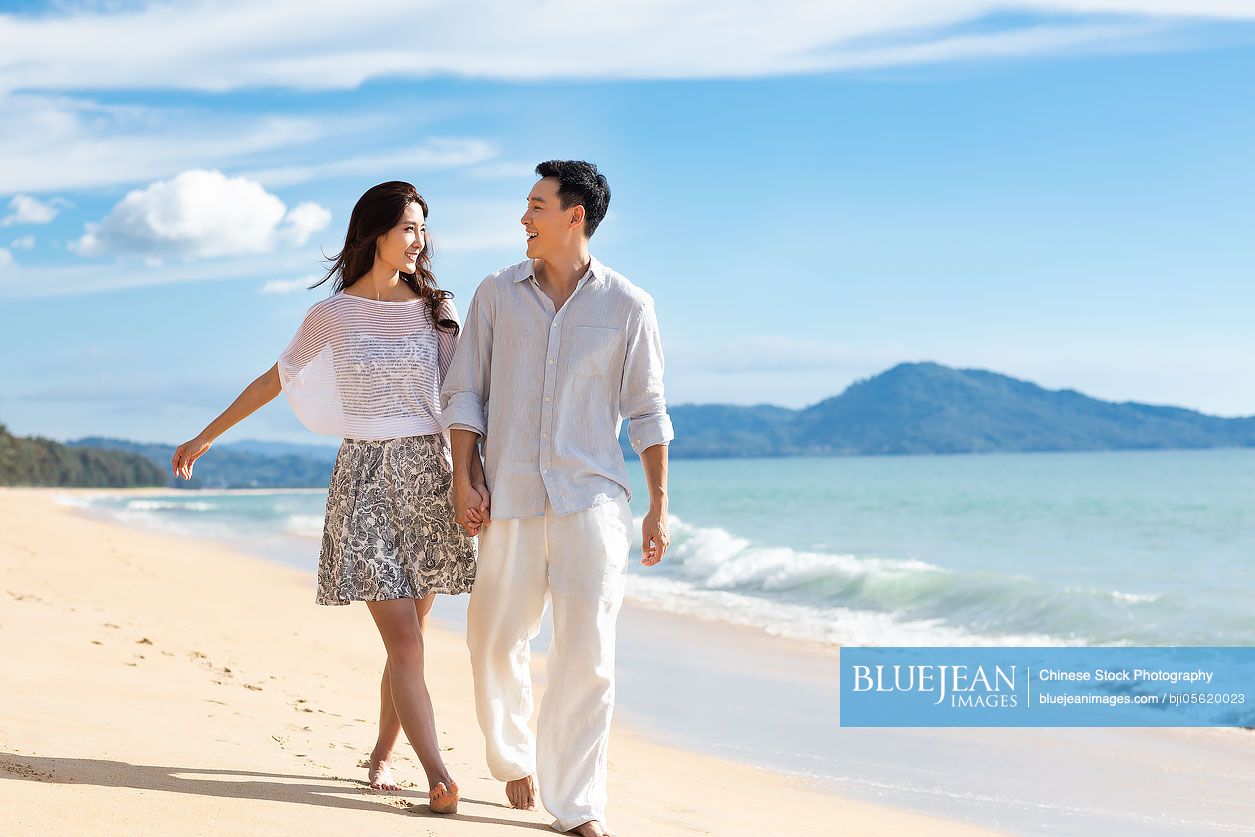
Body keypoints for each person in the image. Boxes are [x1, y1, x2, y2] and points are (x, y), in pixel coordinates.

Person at [170, 181, 476, 815]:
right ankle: (439, 774)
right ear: (375, 234)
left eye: (423, 229)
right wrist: (204, 438)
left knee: (411, 636)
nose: (419, 240)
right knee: (407, 643)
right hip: (363, 477)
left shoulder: (437, 310)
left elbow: (468, 397)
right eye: (408, 228)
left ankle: (382, 754)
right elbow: (275, 380)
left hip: (428, 475)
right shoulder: (332, 316)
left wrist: (473, 477)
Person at [440, 160, 673, 836]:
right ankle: (513, 755)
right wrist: (463, 473)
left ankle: (576, 803)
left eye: (536, 206)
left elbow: (648, 412)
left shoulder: (628, 305)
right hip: (508, 493)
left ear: (576, 215)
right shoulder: (494, 293)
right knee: (492, 637)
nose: (523, 218)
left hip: (591, 500)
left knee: (588, 654)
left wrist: (659, 503)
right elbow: (465, 393)